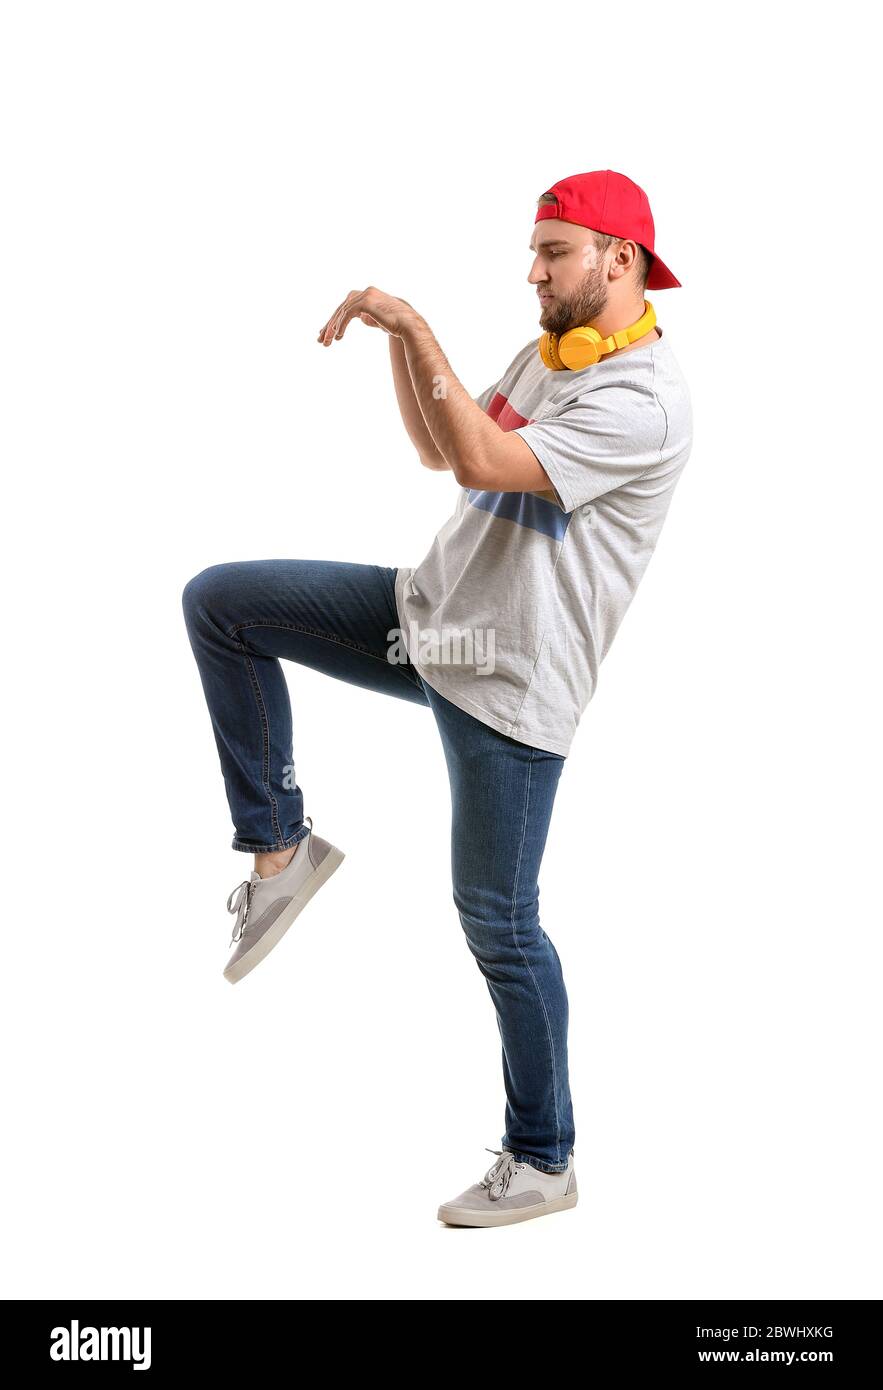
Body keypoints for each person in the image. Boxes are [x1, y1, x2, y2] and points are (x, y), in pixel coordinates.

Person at [181, 169, 693, 1228]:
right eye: (535, 250)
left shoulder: (639, 401)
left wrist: (414, 324)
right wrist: (398, 348)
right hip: (428, 624)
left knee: (499, 924)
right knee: (221, 604)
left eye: (551, 253)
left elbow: (478, 453)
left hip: (507, 684)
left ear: (619, 261)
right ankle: (279, 850)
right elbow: (437, 452)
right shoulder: (553, 350)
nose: (533, 270)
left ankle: (544, 1157)